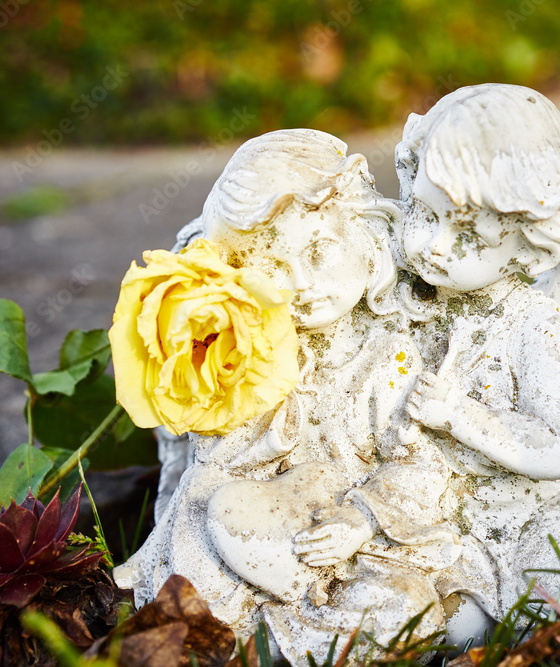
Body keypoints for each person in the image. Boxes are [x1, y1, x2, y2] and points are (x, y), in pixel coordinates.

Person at [116, 130, 457, 661]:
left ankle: (291, 635)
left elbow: (422, 462)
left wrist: (362, 518)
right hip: (269, 527)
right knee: (217, 513)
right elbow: (223, 462)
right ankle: (273, 628)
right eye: (273, 267)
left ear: (367, 238)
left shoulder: (392, 356)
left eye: (320, 251)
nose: (302, 283)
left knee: (404, 606)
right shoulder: (256, 356)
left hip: (365, 539)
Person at [391, 84, 560, 634]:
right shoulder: (412, 294)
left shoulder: (535, 324)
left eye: (466, 234)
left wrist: (463, 416)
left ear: (527, 245)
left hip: (523, 518)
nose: (433, 246)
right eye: (424, 213)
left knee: (462, 627)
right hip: (426, 507)